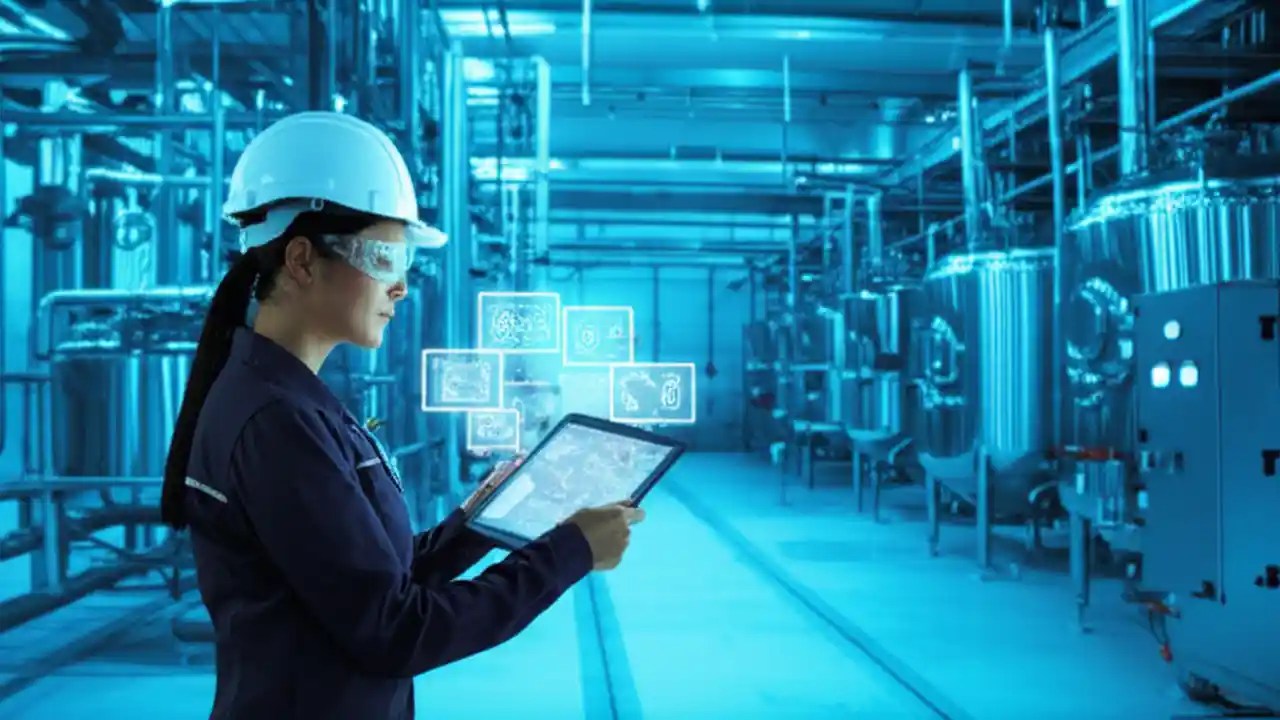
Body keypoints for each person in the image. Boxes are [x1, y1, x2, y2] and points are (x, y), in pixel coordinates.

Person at [159, 111, 644, 720]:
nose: (401, 288)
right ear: (304, 260)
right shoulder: (275, 422)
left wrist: (474, 522)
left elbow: (368, 577)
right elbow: (394, 630)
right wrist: (569, 551)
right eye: (384, 259)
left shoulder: (292, 401)